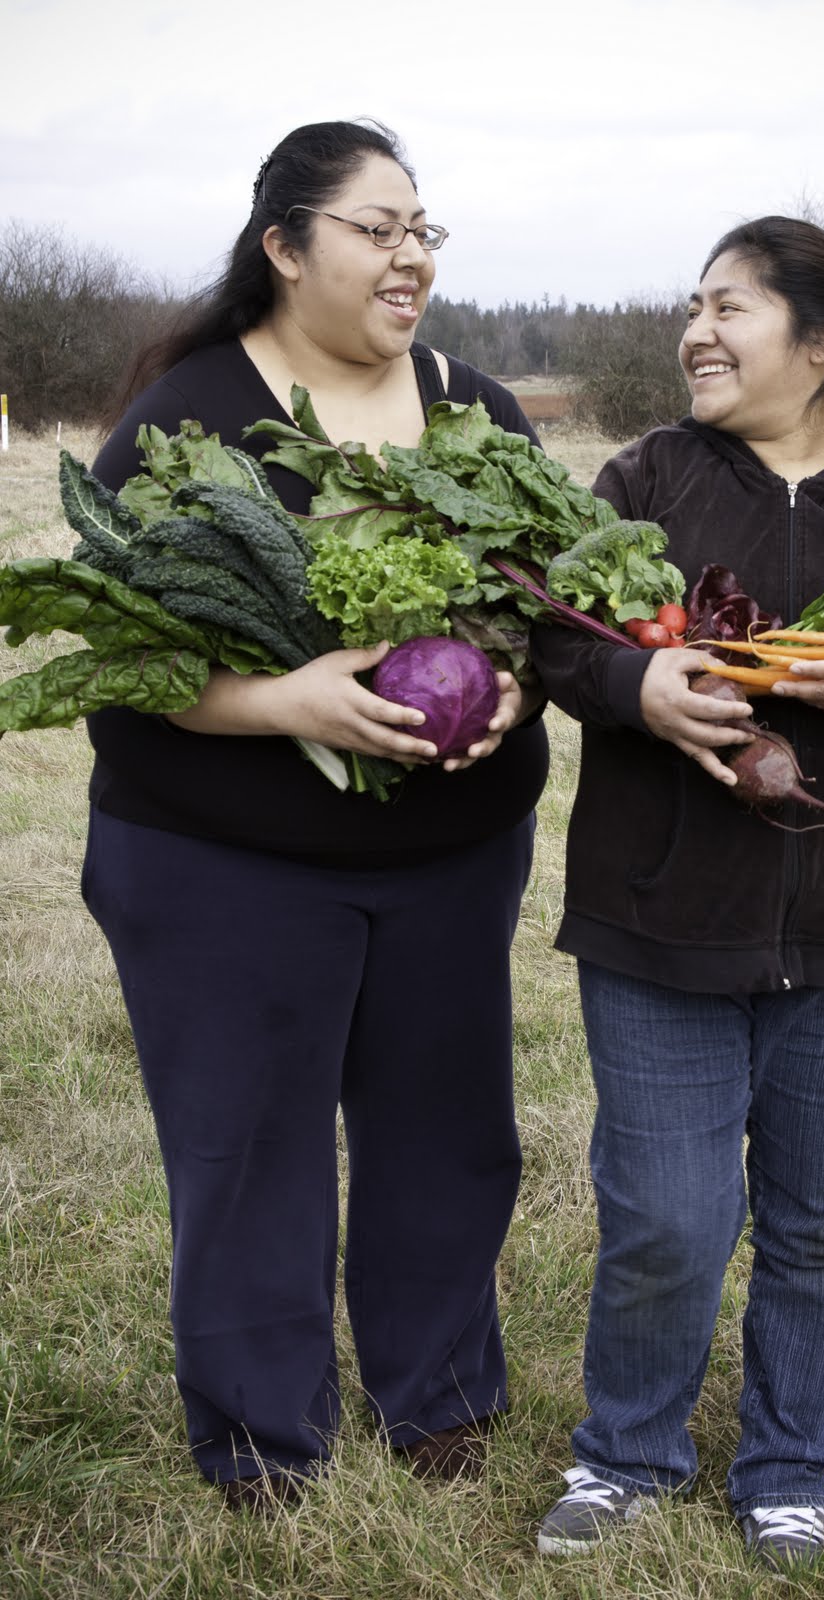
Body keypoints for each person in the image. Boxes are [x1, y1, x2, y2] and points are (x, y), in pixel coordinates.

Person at [531, 216, 824, 1570]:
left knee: (822, 1226)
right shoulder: (644, 477)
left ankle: (790, 1463)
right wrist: (635, 686)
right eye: (693, 304)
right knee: (665, 1220)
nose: (697, 330)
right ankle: (625, 1452)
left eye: (730, 307)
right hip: (660, 923)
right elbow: (549, 634)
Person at [83, 118, 549, 1509]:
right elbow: (119, 659)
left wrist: (516, 693)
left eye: (424, 230)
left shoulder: (476, 407)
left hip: (453, 854)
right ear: (286, 247)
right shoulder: (189, 422)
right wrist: (289, 702)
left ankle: (442, 1398)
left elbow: (544, 607)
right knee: (248, 1144)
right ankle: (260, 1438)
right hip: (224, 858)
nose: (410, 256)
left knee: (448, 1130)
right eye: (377, 227)